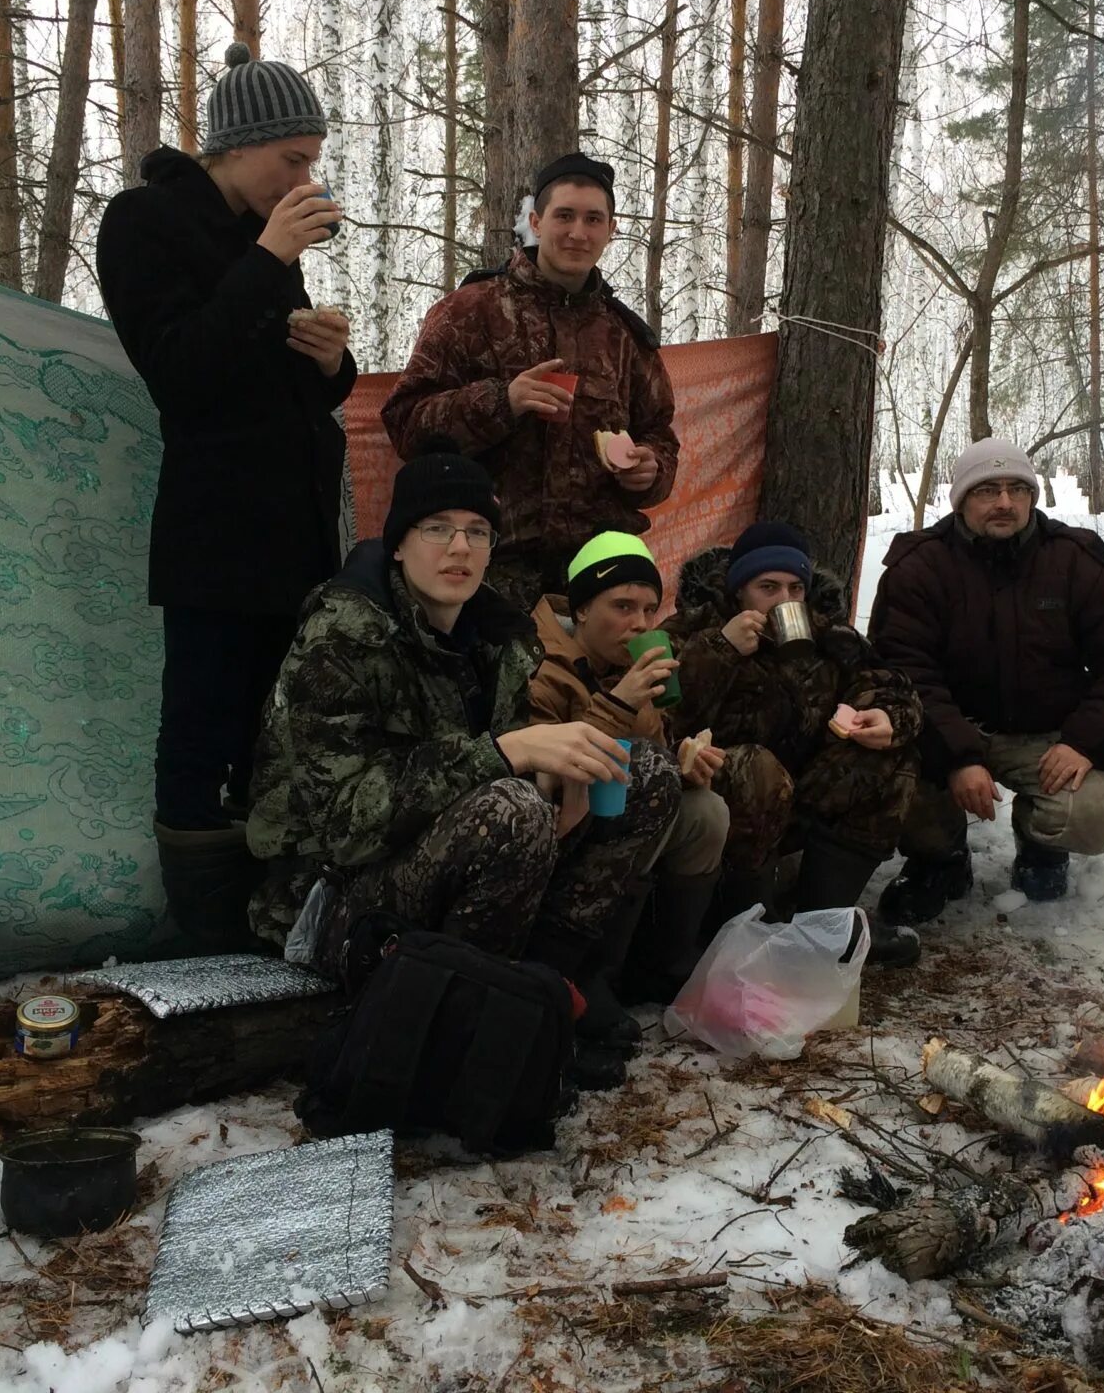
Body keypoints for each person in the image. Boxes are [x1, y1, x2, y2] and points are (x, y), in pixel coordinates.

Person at [243, 441, 680, 1056]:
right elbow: (345, 825)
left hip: (452, 863)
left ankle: (548, 980)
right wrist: (508, 756)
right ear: (399, 543)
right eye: (437, 528)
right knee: (512, 809)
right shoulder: (341, 640)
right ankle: (467, 1024)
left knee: (641, 771)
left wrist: (557, 787)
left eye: (477, 531)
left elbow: (497, 784)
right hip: (329, 895)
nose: (459, 547)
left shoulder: (496, 638)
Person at [95, 42, 355, 949]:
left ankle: (265, 925)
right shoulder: (143, 222)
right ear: (236, 146)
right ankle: (203, 935)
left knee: (274, 737)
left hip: (296, 536)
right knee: (202, 732)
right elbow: (179, 372)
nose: (305, 179)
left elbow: (277, 381)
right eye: (293, 158)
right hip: (215, 537)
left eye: (312, 162)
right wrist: (269, 257)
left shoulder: (258, 239)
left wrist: (331, 361)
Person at [869, 438, 1104, 921]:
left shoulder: (1074, 559)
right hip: (946, 730)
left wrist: (1083, 744)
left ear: (1032, 497)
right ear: (962, 500)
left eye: (1018, 489)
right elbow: (903, 673)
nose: (1005, 502)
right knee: (885, 772)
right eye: (987, 490)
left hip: (1047, 737)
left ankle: (1041, 847)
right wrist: (958, 756)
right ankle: (939, 858)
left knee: (1094, 813)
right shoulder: (920, 566)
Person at [381, 153, 679, 611]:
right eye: (564, 216)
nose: (578, 232)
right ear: (536, 222)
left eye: (593, 219)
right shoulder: (468, 311)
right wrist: (504, 401)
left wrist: (649, 471)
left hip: (595, 578)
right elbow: (405, 425)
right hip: (488, 573)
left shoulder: (625, 337)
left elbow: (660, 435)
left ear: (611, 230)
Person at [663, 522, 924, 968]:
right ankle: (746, 926)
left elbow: (889, 685)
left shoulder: (826, 635)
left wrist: (884, 716)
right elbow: (665, 717)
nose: (784, 599)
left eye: (795, 588)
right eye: (768, 587)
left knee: (890, 758)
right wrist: (722, 649)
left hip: (801, 799)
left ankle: (821, 924)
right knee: (755, 767)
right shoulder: (692, 631)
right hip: (724, 806)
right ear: (739, 589)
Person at [528, 532, 729, 1016]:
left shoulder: (627, 665)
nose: (639, 623)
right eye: (622, 606)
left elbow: (647, 761)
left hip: (621, 820)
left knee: (707, 812)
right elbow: (545, 780)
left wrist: (682, 759)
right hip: (557, 841)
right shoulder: (538, 664)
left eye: (649, 609)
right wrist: (620, 703)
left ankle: (658, 966)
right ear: (581, 610)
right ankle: (589, 971)